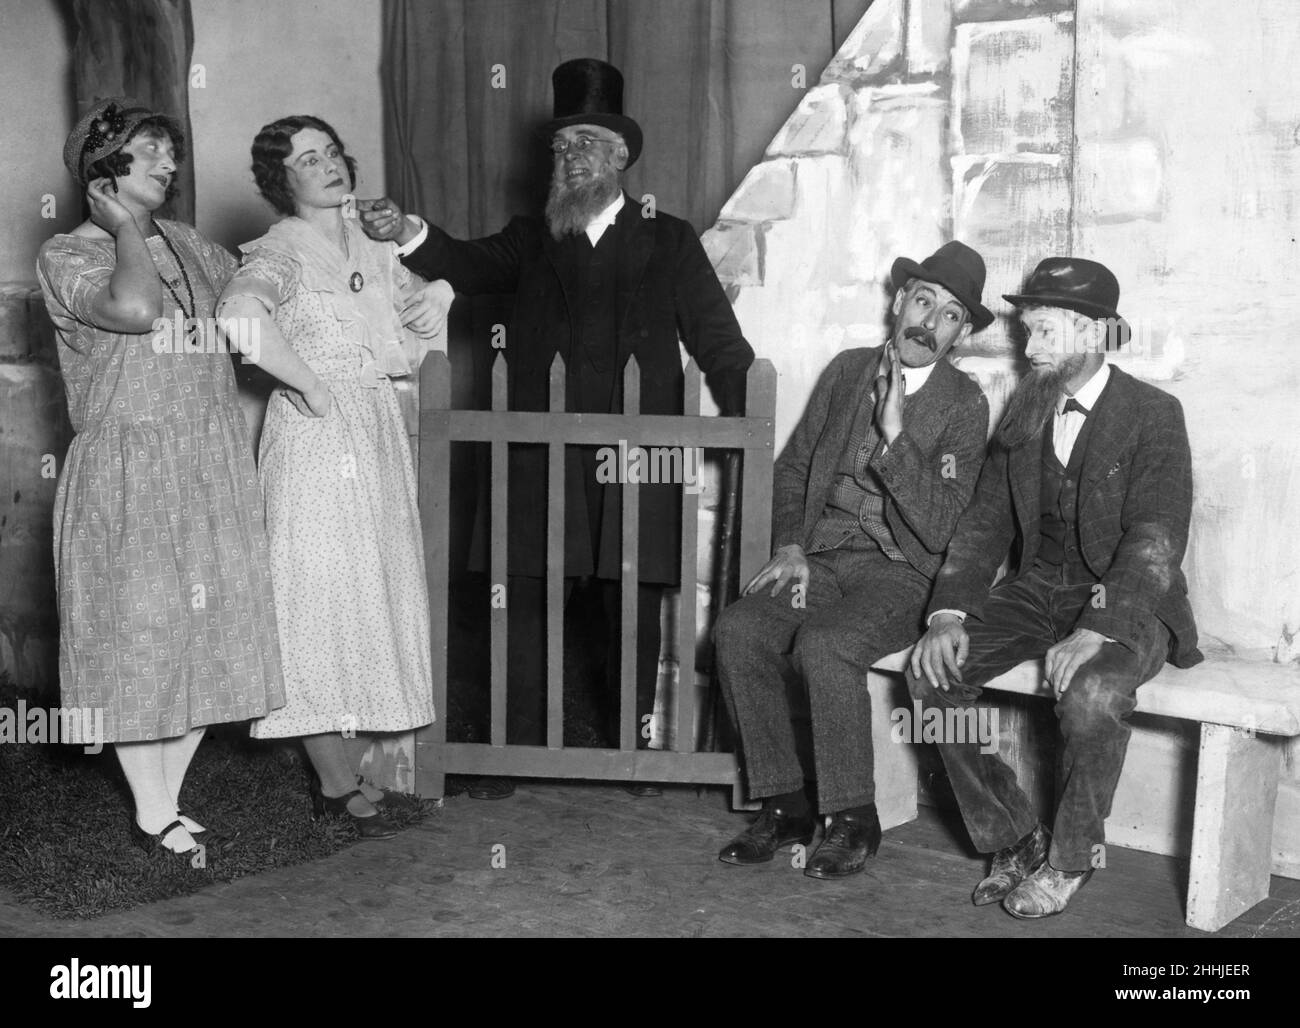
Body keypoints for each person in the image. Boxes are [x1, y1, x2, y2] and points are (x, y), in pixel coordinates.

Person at [362, 58, 754, 798]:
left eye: (586, 143)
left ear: (621, 157)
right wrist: (407, 229)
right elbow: (465, 261)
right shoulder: (531, 237)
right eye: (559, 145)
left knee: (631, 594)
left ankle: (631, 746)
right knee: (524, 586)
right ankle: (511, 745)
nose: (567, 155)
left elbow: (718, 340)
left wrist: (747, 418)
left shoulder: (667, 238)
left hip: (641, 454)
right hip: (538, 451)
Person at [907, 258, 1202, 918]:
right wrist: (949, 610)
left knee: (1094, 693)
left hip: (1124, 598)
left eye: (1043, 333)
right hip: (1041, 587)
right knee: (932, 674)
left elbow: (1156, 537)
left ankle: (1071, 858)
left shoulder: (1153, 413)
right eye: (1028, 333)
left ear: (1094, 334)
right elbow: (984, 519)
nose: (1030, 348)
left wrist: (1097, 626)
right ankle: (1015, 837)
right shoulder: (1029, 405)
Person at [36, 98, 286, 858]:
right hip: (128, 468)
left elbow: (258, 295)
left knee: (213, 630)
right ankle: (152, 810)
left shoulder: (188, 243)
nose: (169, 165)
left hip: (208, 460)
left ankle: (166, 800)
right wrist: (121, 230)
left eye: (169, 152)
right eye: (150, 152)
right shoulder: (67, 255)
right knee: (138, 633)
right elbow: (138, 307)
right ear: (103, 168)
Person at [712, 242, 992, 878]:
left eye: (950, 315)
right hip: (822, 558)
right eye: (923, 301)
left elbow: (946, 524)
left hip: (901, 572)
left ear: (960, 332)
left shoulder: (963, 404)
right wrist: (790, 546)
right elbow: (793, 472)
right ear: (899, 301)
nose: (929, 322)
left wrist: (895, 438)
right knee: (740, 629)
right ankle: (785, 805)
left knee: (826, 643)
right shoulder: (846, 371)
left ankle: (851, 819)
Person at [218, 115, 450, 838]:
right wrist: (311, 387)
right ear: (281, 181)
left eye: (331, 153)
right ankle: (330, 779)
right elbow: (238, 316)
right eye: (306, 159)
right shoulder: (279, 249)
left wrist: (438, 295)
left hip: (376, 427)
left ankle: (345, 771)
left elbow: (413, 330)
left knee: (363, 591)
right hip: (317, 437)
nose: (326, 166)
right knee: (315, 597)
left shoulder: (369, 246)